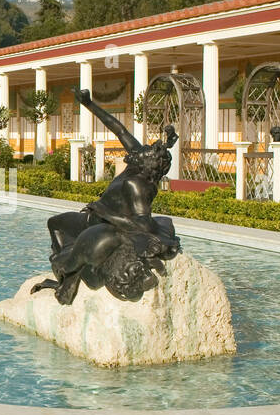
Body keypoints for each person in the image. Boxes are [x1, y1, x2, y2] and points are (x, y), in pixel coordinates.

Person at [32, 88, 182, 304]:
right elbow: (119, 130)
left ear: (149, 164)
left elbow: (144, 226)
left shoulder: (140, 186)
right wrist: (89, 104)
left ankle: (67, 275)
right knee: (54, 224)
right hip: (91, 218)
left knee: (57, 226)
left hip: (99, 224)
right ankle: (67, 270)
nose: (142, 148)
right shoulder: (138, 163)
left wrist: (105, 213)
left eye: (147, 151)